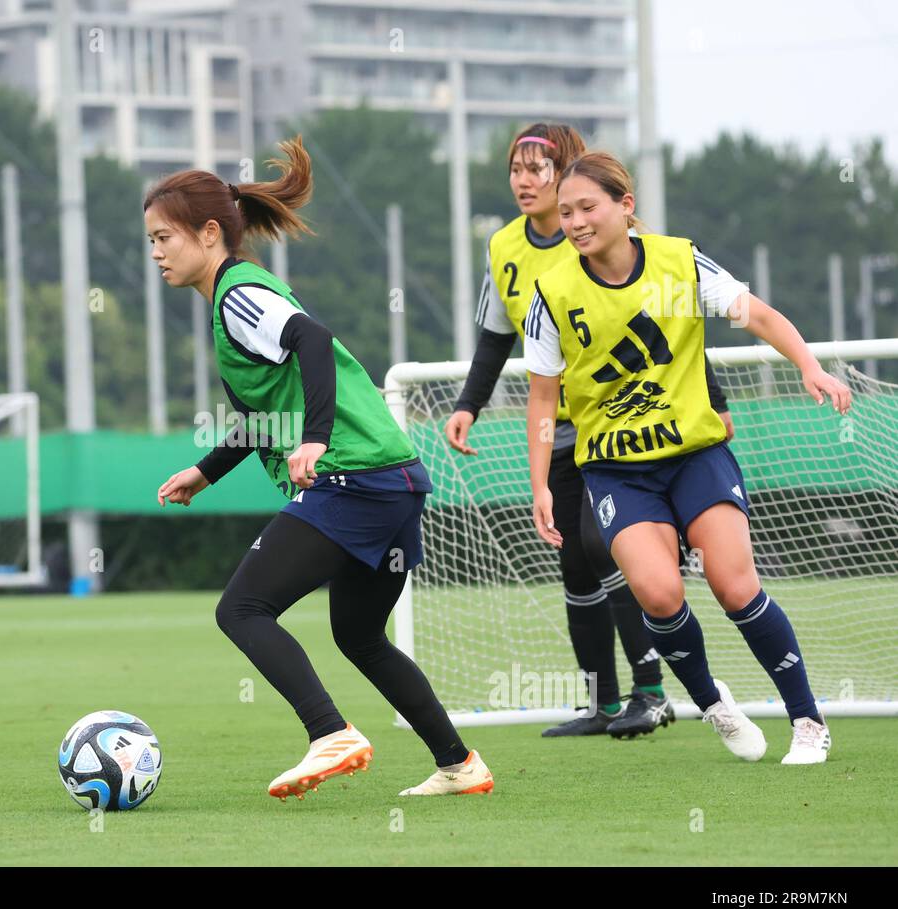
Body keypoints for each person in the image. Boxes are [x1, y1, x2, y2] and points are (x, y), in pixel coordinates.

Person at [148, 136, 493, 799]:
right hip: (393, 479)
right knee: (360, 633)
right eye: (152, 241)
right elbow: (270, 407)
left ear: (210, 233)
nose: (157, 252)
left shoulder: (237, 294)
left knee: (242, 609)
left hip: (351, 478)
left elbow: (312, 339)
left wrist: (315, 437)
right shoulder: (238, 297)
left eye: (165, 237)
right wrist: (207, 470)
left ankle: (330, 733)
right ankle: (460, 763)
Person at [524, 152, 850, 764]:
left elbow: (756, 314)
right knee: (658, 593)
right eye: (565, 212)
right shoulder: (553, 291)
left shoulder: (678, 262)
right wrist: (540, 483)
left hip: (695, 455)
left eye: (588, 207)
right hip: (617, 469)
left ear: (626, 206)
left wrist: (809, 366)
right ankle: (714, 704)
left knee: (734, 587)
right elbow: (543, 395)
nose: (574, 222)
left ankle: (807, 720)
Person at [447, 123, 736, 739]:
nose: (525, 181)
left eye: (538, 169)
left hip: (622, 422)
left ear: (570, 175)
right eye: (515, 169)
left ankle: (653, 690)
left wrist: (715, 398)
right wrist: (469, 403)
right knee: (575, 562)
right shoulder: (504, 248)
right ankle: (605, 702)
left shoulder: (610, 239)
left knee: (602, 543)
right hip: (557, 427)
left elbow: (667, 332)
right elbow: (498, 336)